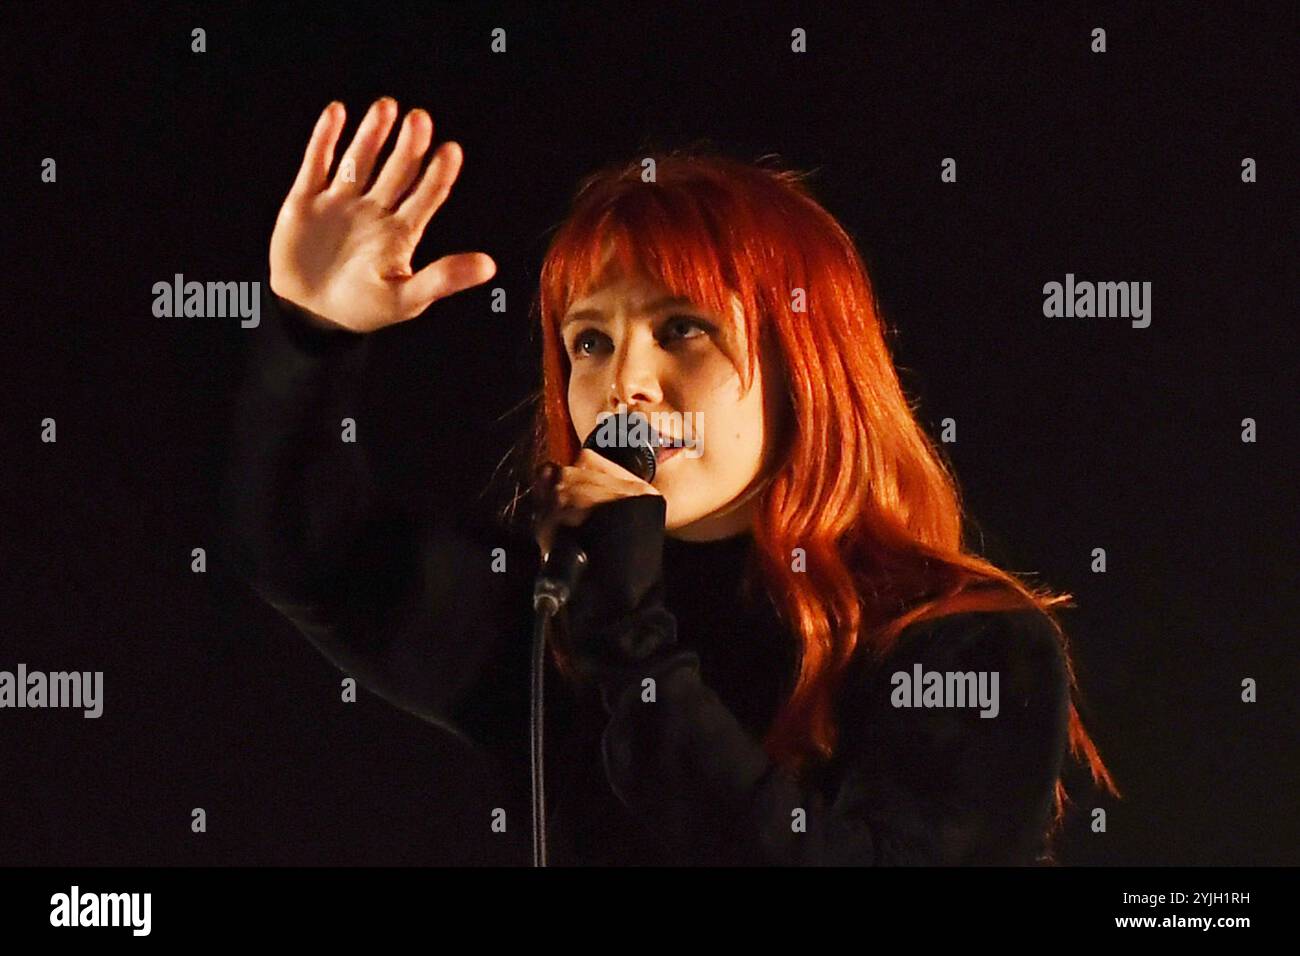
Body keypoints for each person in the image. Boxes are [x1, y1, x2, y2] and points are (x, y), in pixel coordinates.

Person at [218, 96, 1120, 866]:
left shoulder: (963, 645)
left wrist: (629, 636)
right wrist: (312, 331)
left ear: (803, 362)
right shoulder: (551, 615)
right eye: (591, 342)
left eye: (682, 328)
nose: (627, 383)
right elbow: (308, 552)